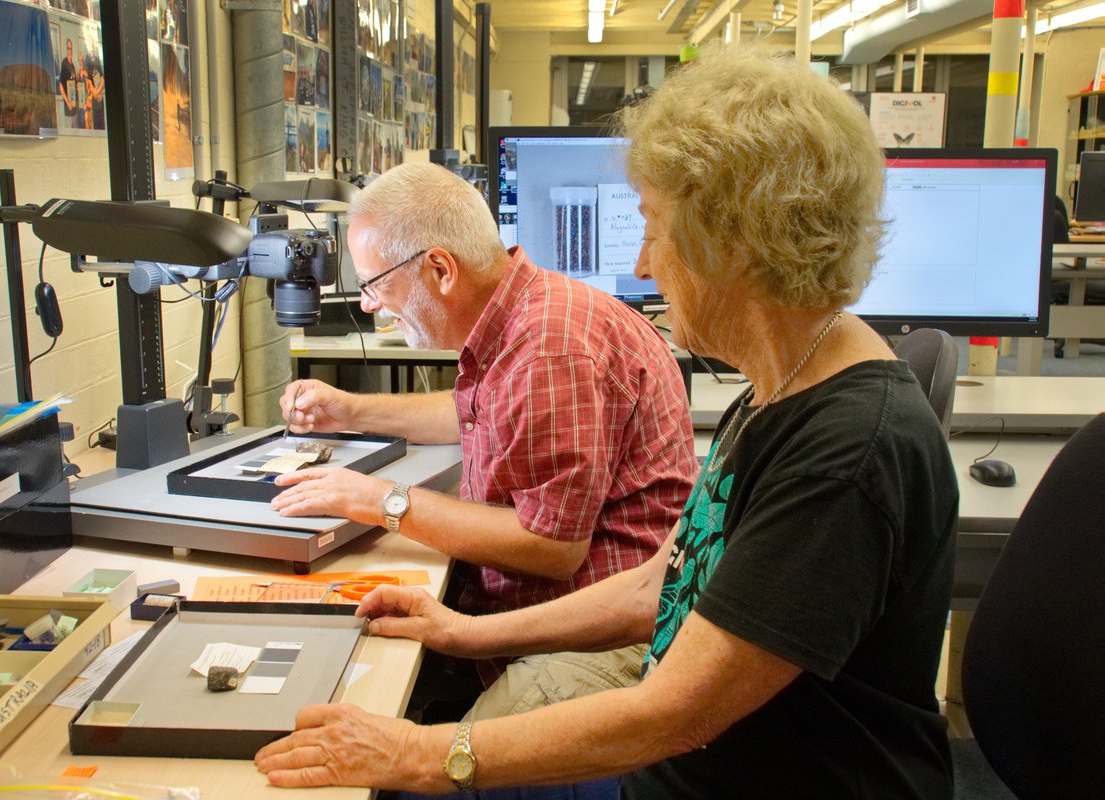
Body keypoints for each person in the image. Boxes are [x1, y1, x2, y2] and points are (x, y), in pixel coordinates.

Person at [254, 43, 959, 798]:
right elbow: (658, 586)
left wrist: (418, 755)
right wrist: (465, 632)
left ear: (735, 243)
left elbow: (674, 714)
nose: (644, 265)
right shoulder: (781, 389)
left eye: (654, 229)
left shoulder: (844, 455)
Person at [274, 160, 697, 718]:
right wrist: (351, 411)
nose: (369, 304)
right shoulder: (522, 315)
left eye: (374, 284)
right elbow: (477, 413)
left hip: (594, 637)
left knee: (413, 747)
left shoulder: (548, 348)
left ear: (440, 270)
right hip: (536, 609)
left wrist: (379, 501)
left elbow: (552, 549)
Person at [57, 39, 76, 122]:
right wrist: (67, 102)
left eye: (71, 49)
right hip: (68, 108)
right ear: (66, 49)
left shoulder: (73, 65)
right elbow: (60, 85)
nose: (70, 51)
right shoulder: (64, 63)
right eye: (68, 48)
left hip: (74, 107)